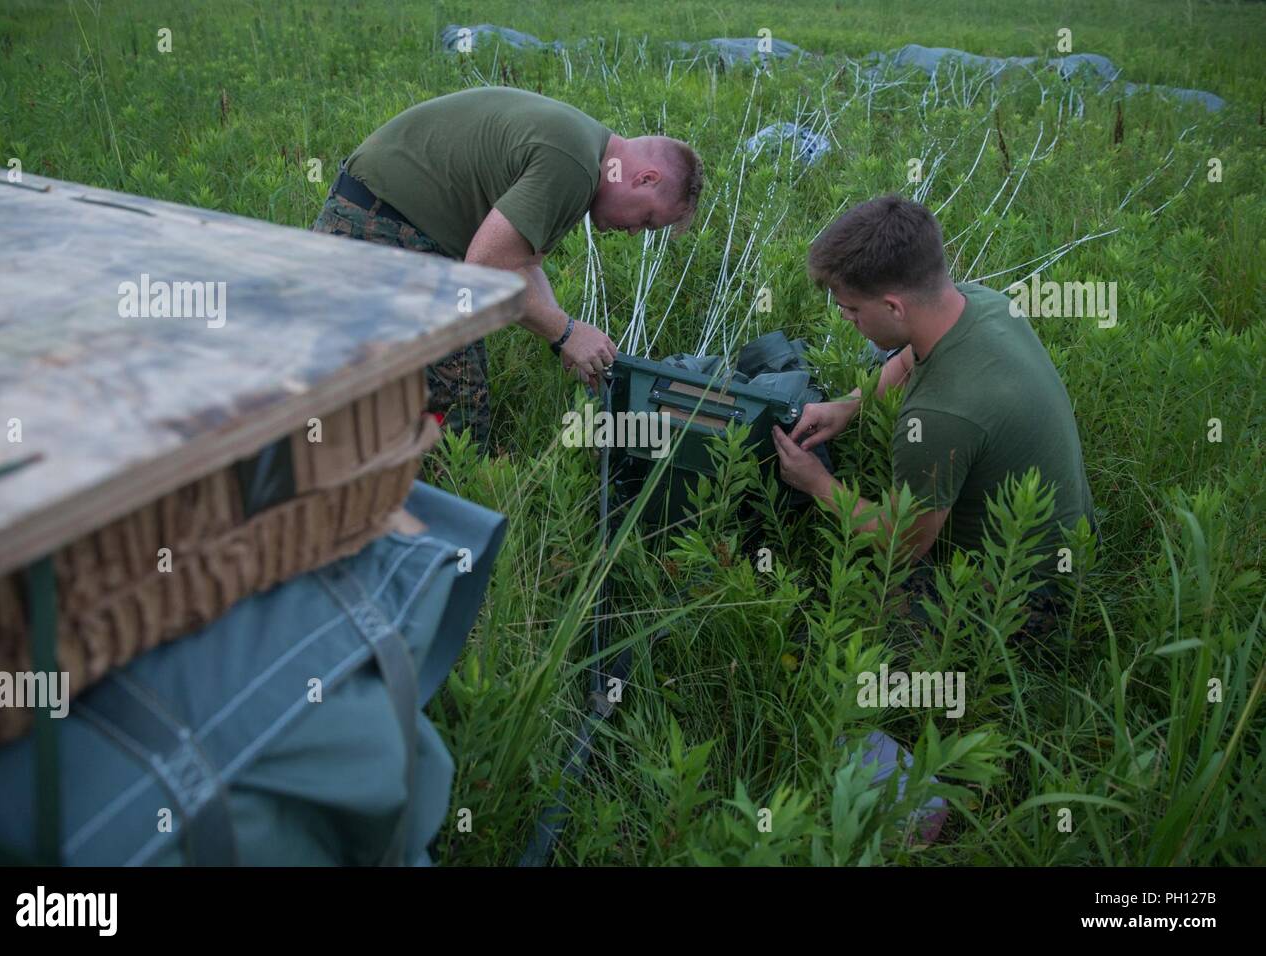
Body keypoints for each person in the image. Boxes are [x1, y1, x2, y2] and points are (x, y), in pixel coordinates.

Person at [771, 195, 1095, 639]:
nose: (846, 318)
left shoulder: (938, 418)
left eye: (850, 308)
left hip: (1022, 597)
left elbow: (900, 544)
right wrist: (851, 403)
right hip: (1071, 541)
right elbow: (907, 358)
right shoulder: (983, 303)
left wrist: (816, 484)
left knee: (828, 630)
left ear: (893, 307)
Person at [312, 87, 703, 448]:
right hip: (382, 230)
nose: (634, 232)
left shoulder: (585, 151)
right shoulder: (574, 166)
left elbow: (521, 261)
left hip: (372, 218)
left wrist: (563, 340)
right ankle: (444, 508)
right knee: (461, 411)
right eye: (647, 220)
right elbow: (484, 267)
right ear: (645, 179)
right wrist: (566, 332)